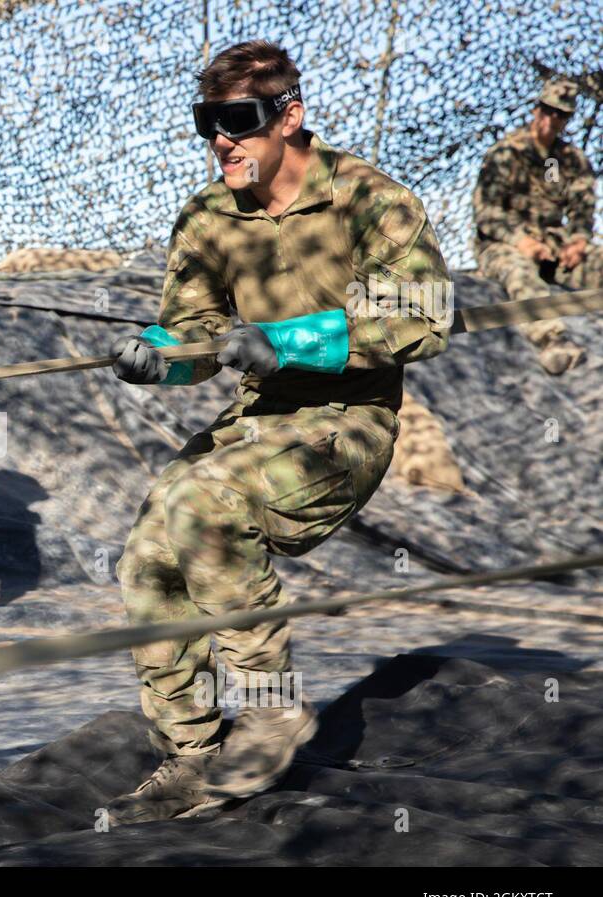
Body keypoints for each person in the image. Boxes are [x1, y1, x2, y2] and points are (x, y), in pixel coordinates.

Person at [106, 40, 451, 822]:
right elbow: (193, 336)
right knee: (151, 549)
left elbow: (426, 317)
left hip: (349, 420)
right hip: (257, 420)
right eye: (208, 122)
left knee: (203, 502)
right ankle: (191, 755)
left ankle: (268, 711)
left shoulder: (369, 200)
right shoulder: (207, 217)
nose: (221, 139)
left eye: (239, 120)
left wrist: (295, 340)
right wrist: (159, 357)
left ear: (289, 116)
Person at [473, 77, 598, 375]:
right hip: (503, 245)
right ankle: (553, 341)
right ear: (536, 109)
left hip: (555, 248)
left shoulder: (571, 160)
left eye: (562, 114)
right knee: (519, 271)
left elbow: (583, 208)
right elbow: (486, 212)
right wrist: (520, 241)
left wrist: (578, 241)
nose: (553, 119)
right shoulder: (505, 154)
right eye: (549, 110)